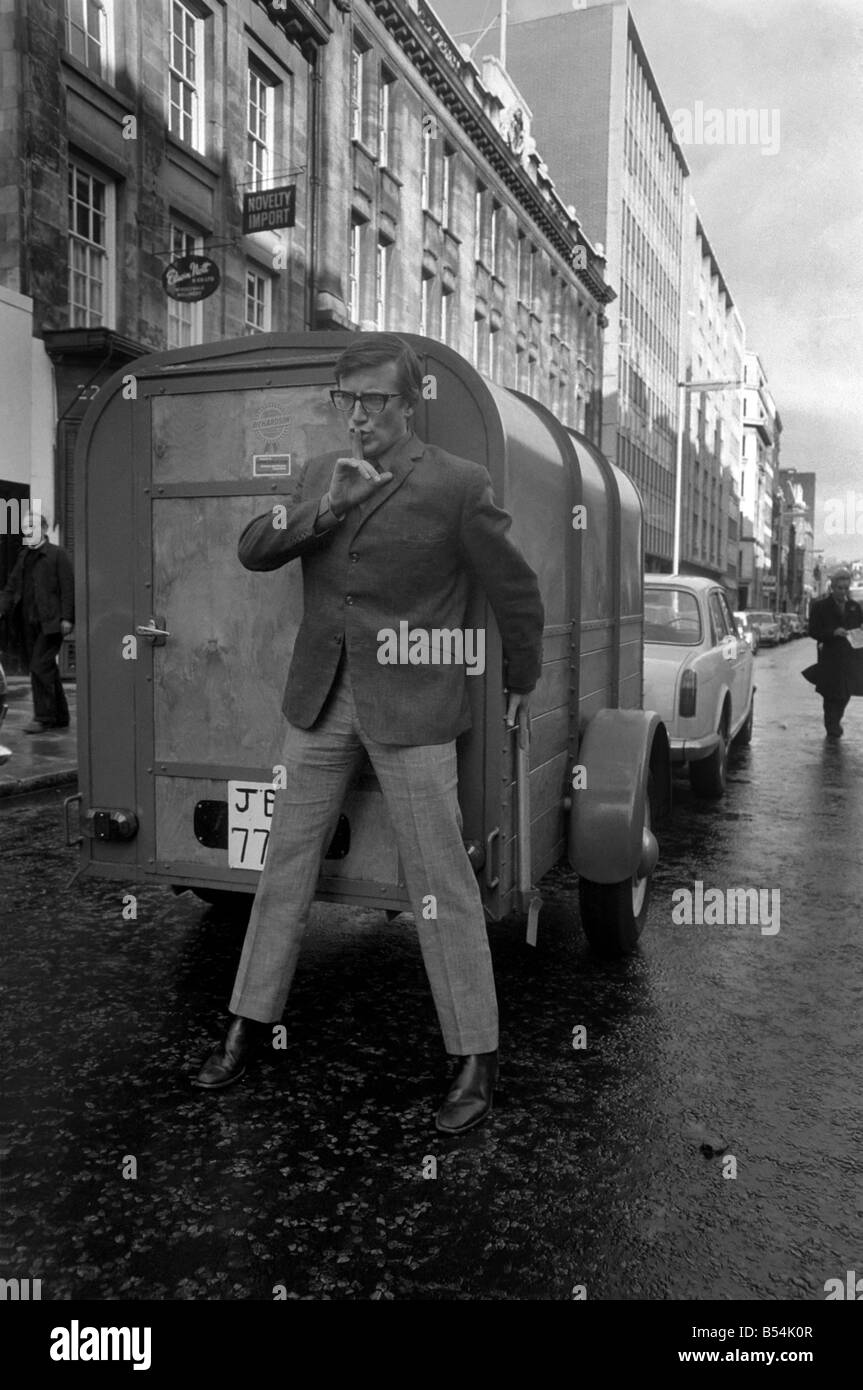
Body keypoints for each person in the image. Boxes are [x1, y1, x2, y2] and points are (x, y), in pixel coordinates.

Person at [194, 333, 544, 1132]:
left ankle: (473, 1057)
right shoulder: (321, 473)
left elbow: (513, 589)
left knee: (440, 882)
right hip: (319, 701)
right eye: (344, 402)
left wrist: (521, 678)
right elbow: (253, 548)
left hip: (414, 707)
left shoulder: (457, 485)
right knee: (284, 866)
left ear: (410, 401)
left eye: (373, 402)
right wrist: (330, 507)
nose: (356, 418)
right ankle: (246, 1022)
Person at [0, 513, 74, 732]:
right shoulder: (24, 556)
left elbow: (68, 588)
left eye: (31, 526)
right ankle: (60, 716)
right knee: (46, 667)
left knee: (39, 667)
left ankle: (43, 717)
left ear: (43, 528)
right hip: (27, 623)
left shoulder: (57, 555)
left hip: (51, 622)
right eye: (24, 527)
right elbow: (11, 587)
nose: (27, 531)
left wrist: (67, 618)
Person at [802, 567, 863, 737]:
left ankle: (835, 719)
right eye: (840, 588)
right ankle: (831, 724)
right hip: (830, 657)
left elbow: (858, 628)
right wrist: (832, 632)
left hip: (850, 658)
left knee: (845, 693)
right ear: (832, 588)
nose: (843, 591)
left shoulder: (854, 607)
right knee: (830, 693)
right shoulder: (820, 607)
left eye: (846, 588)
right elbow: (813, 631)